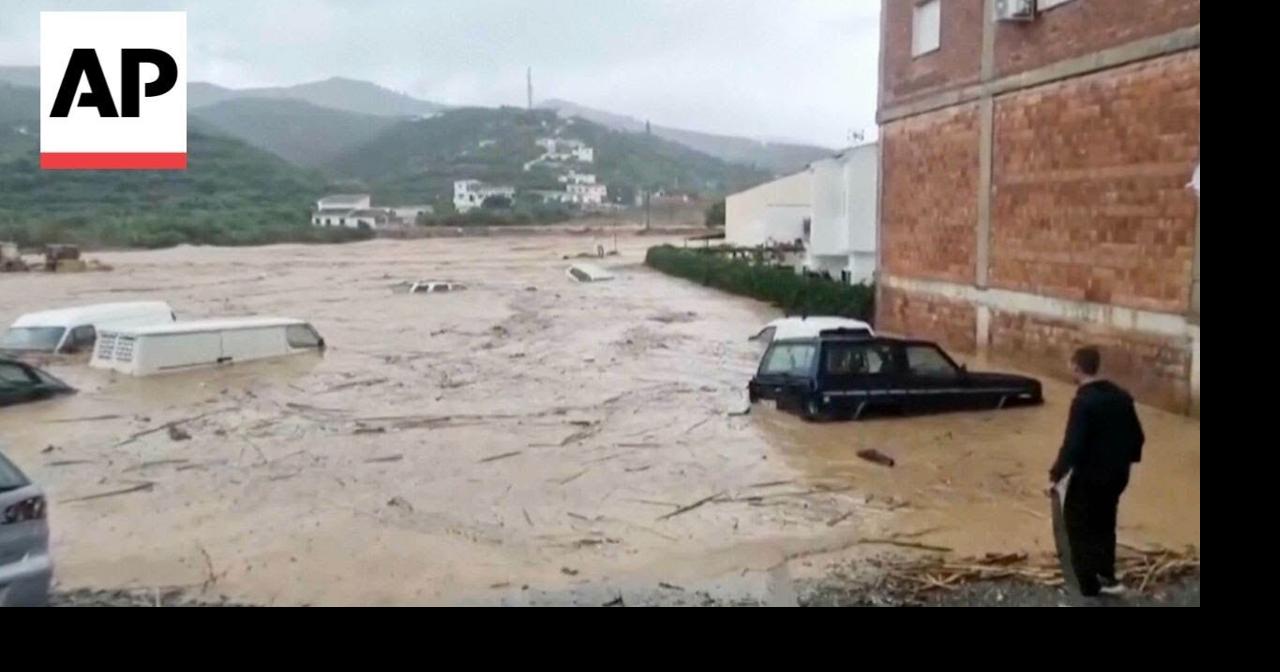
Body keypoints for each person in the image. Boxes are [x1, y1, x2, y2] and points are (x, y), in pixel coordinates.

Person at [1050, 346, 1145, 597]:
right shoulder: (1122, 397)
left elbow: (1073, 444)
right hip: (1117, 476)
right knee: (1105, 523)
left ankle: (1088, 584)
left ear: (1076, 367)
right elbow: (1138, 437)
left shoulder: (1083, 402)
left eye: (1070, 365)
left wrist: (1055, 475)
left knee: (1078, 525)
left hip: (1090, 477)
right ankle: (1108, 576)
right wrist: (1124, 462)